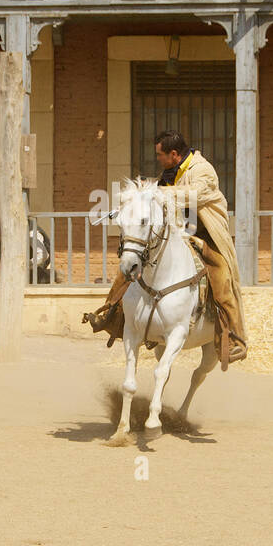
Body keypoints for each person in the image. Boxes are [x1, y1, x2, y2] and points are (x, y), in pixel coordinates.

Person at [84, 129, 248, 368]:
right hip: (178, 232)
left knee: (222, 275)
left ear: (174, 154)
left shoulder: (203, 170)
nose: (158, 159)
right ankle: (109, 314)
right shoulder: (170, 172)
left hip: (206, 235)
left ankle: (233, 335)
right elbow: (155, 204)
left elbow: (193, 195)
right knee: (131, 262)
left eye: (160, 155)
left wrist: (155, 193)